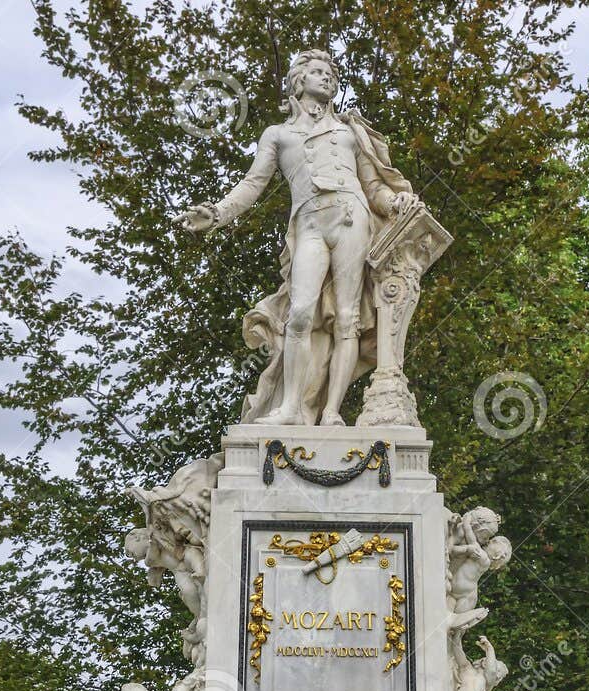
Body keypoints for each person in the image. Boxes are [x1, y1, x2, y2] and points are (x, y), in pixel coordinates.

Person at [178, 49, 421, 426]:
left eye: (330, 74)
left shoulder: (349, 130)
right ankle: (291, 407)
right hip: (308, 225)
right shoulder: (278, 135)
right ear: (299, 81)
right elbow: (252, 183)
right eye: (318, 72)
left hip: (350, 218)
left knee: (346, 317)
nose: (327, 78)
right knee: (300, 314)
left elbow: (373, 187)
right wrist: (218, 213)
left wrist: (395, 202)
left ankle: (332, 413)